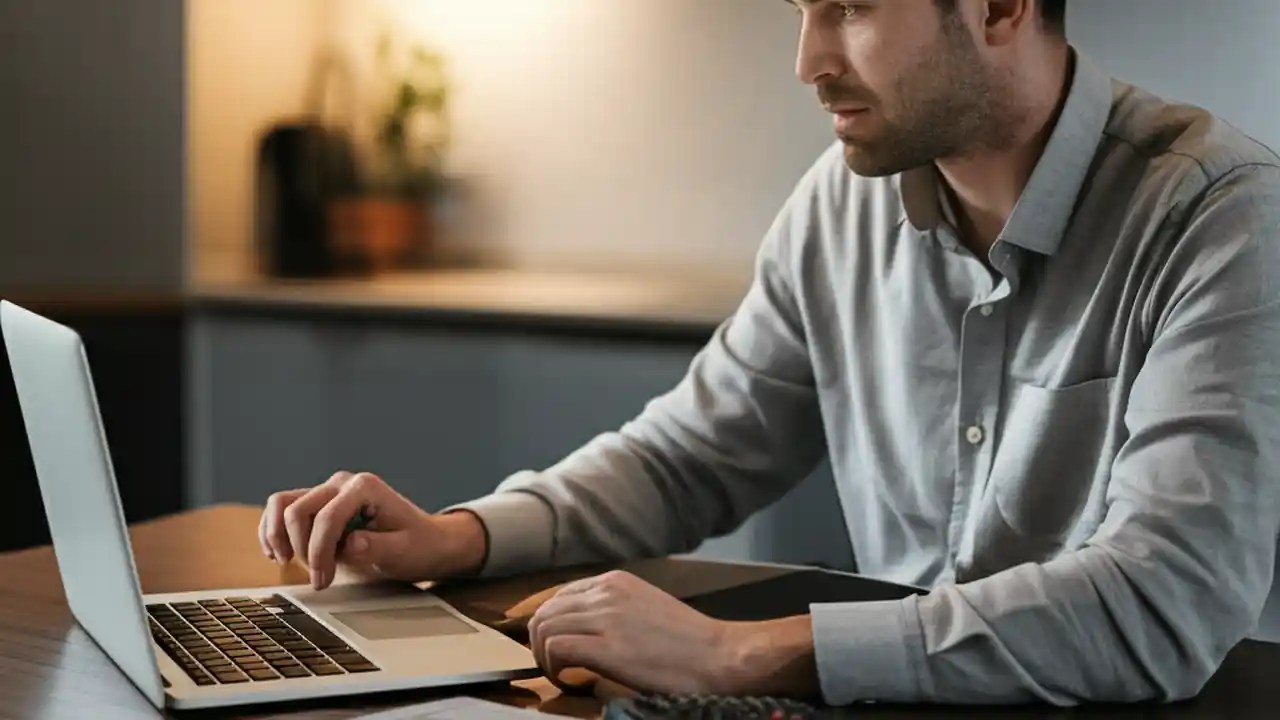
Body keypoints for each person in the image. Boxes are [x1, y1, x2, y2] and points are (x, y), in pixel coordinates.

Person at [258, 0, 1280, 706]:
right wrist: (460, 536)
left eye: (850, 8)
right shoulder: (841, 207)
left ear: (998, 7)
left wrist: (739, 653)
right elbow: (689, 455)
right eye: (798, 11)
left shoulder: (1218, 215)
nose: (807, 60)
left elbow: (1164, 600)